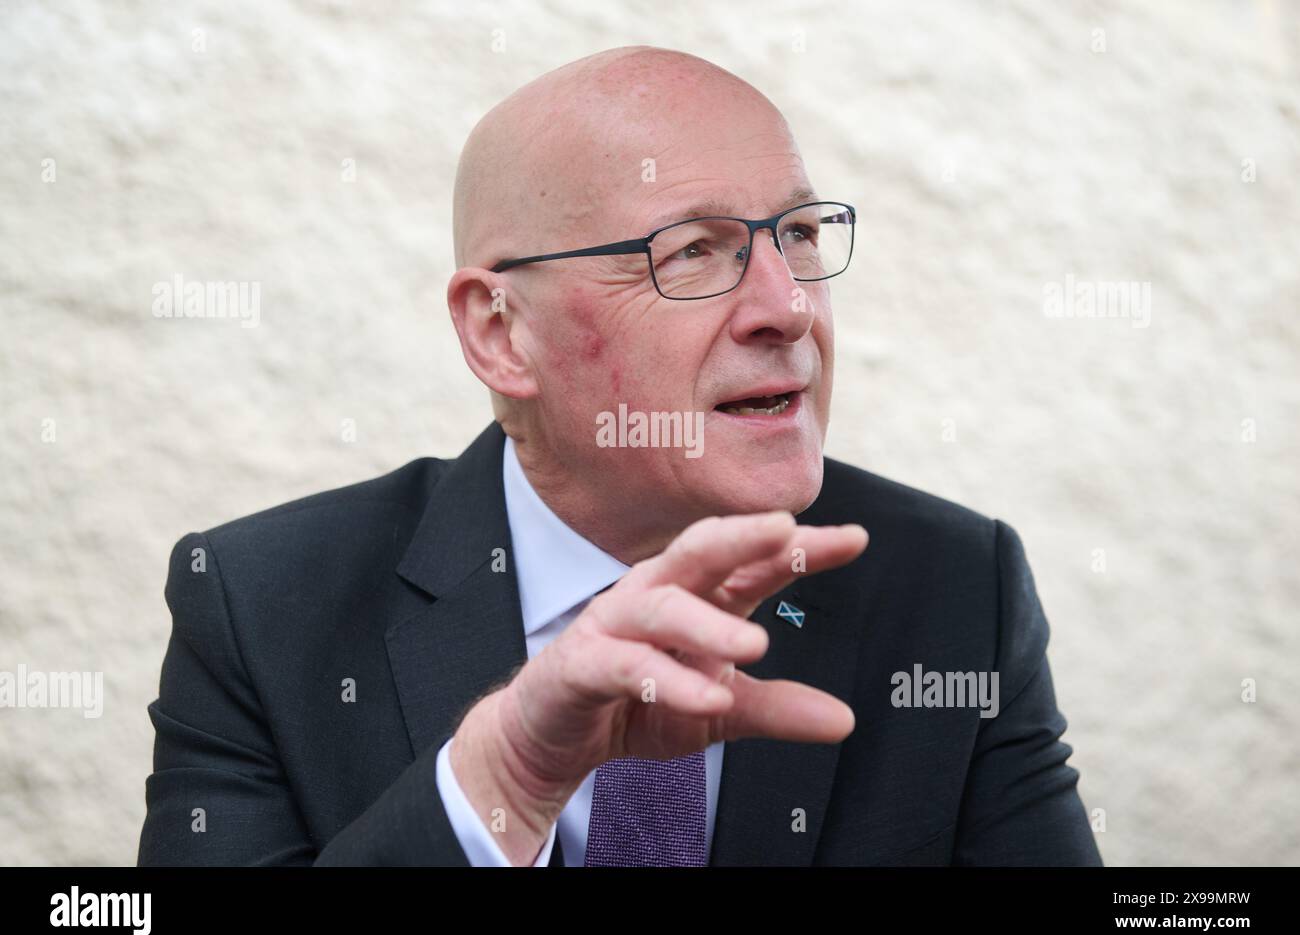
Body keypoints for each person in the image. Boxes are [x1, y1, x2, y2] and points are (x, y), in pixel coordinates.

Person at [137, 46, 1101, 866]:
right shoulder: (262, 603)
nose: (788, 306)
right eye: (692, 251)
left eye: (799, 236)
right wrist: (503, 776)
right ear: (501, 333)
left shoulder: (955, 587)